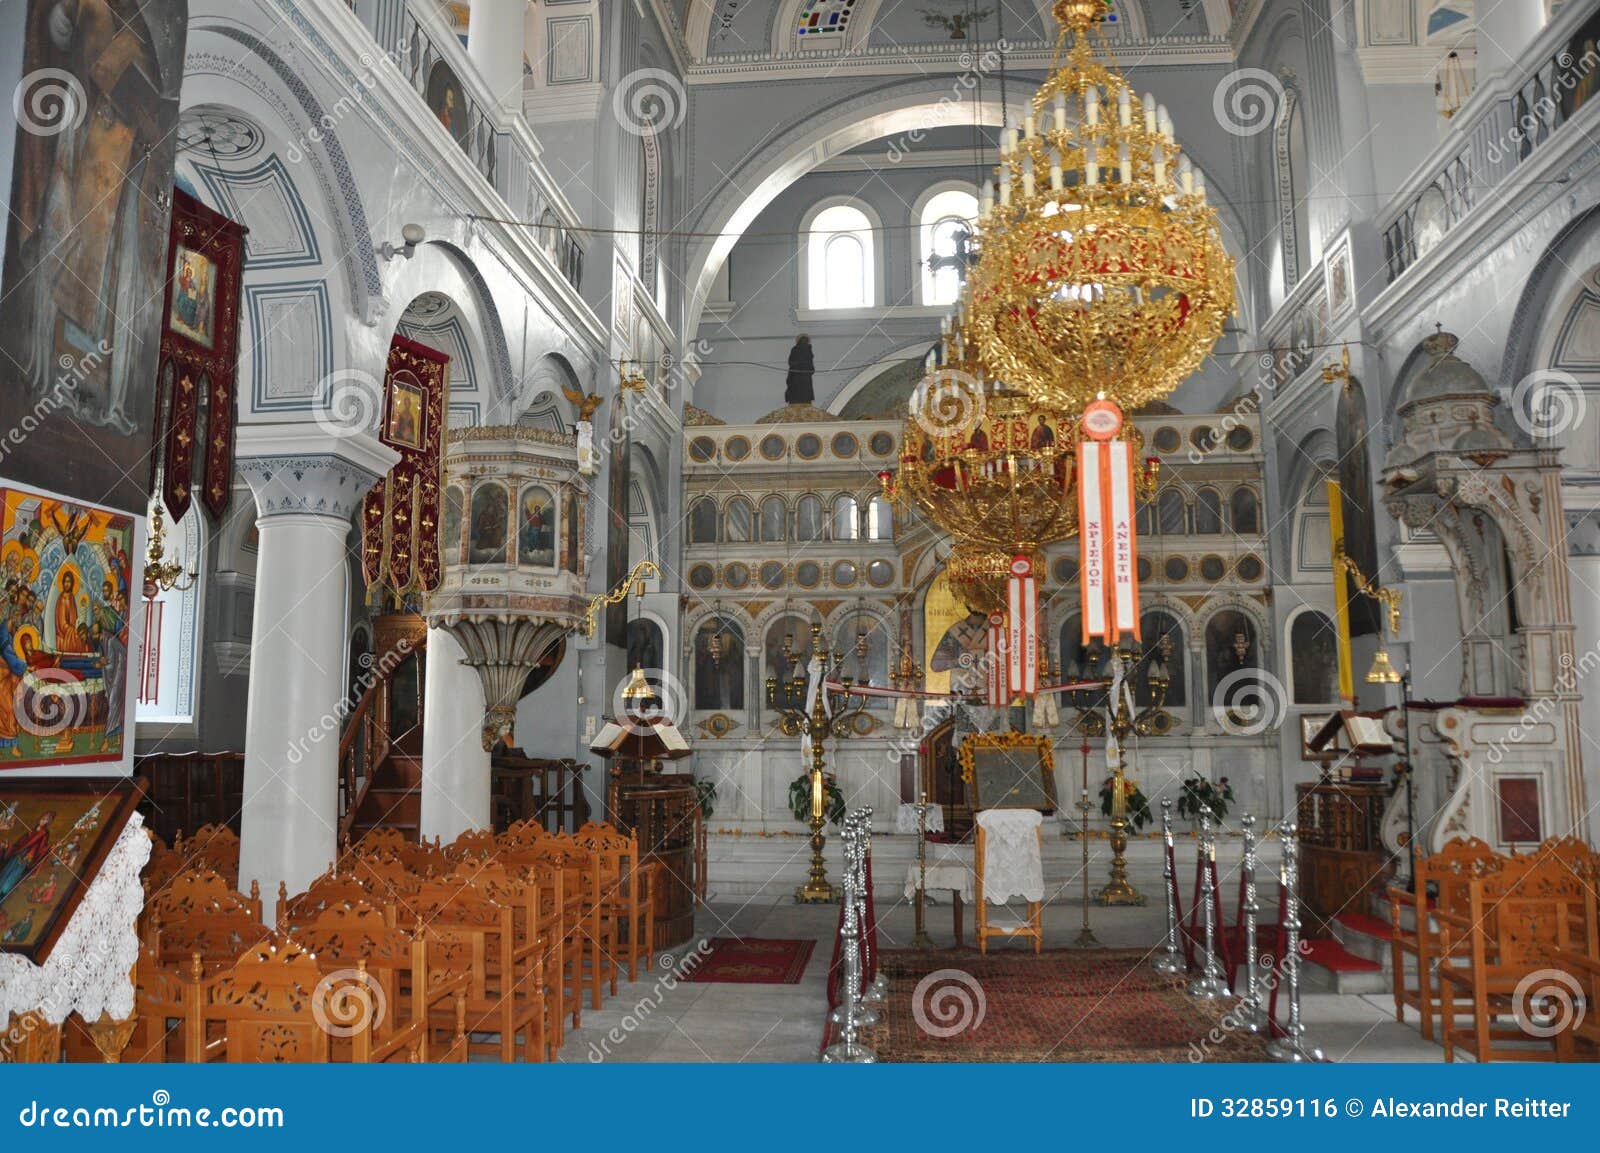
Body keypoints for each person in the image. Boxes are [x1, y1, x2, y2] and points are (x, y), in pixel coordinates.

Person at [784, 334, 815, 405]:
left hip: (795, 378)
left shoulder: (795, 349)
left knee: (795, 396)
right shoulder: (808, 350)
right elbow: (811, 368)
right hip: (806, 380)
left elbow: (790, 362)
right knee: (805, 398)